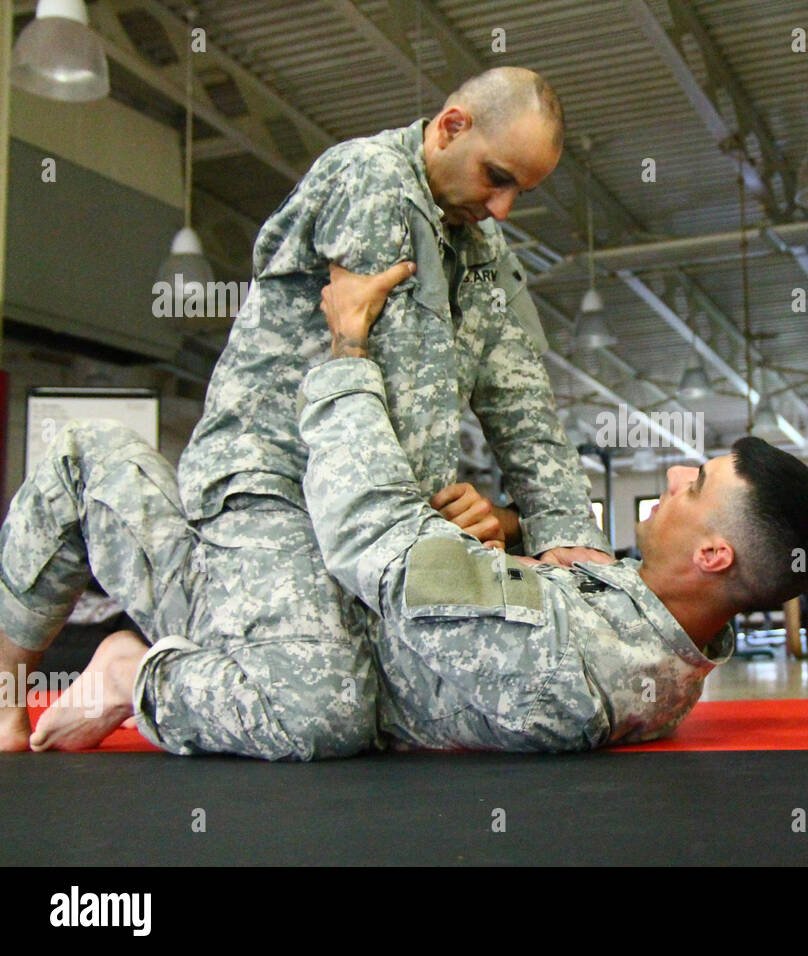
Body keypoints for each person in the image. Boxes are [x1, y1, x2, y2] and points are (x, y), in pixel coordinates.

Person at [0, 67, 608, 756]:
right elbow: (388, 380)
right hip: (274, 493)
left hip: (371, 523)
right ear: (451, 126)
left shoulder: (480, 249)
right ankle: (127, 661)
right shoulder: (371, 181)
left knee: (424, 705)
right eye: (496, 177)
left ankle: (199, 607)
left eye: (518, 192)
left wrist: (569, 545)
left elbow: (521, 399)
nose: (501, 208)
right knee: (323, 710)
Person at [9, 271, 808, 753]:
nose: (677, 471)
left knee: (316, 715)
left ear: (715, 558)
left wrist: (346, 352)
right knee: (92, 460)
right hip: (311, 603)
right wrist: (499, 533)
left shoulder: (576, 662)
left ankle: (132, 668)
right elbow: (496, 591)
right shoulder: (664, 623)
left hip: (311, 619)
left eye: (697, 486)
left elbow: (376, 536)